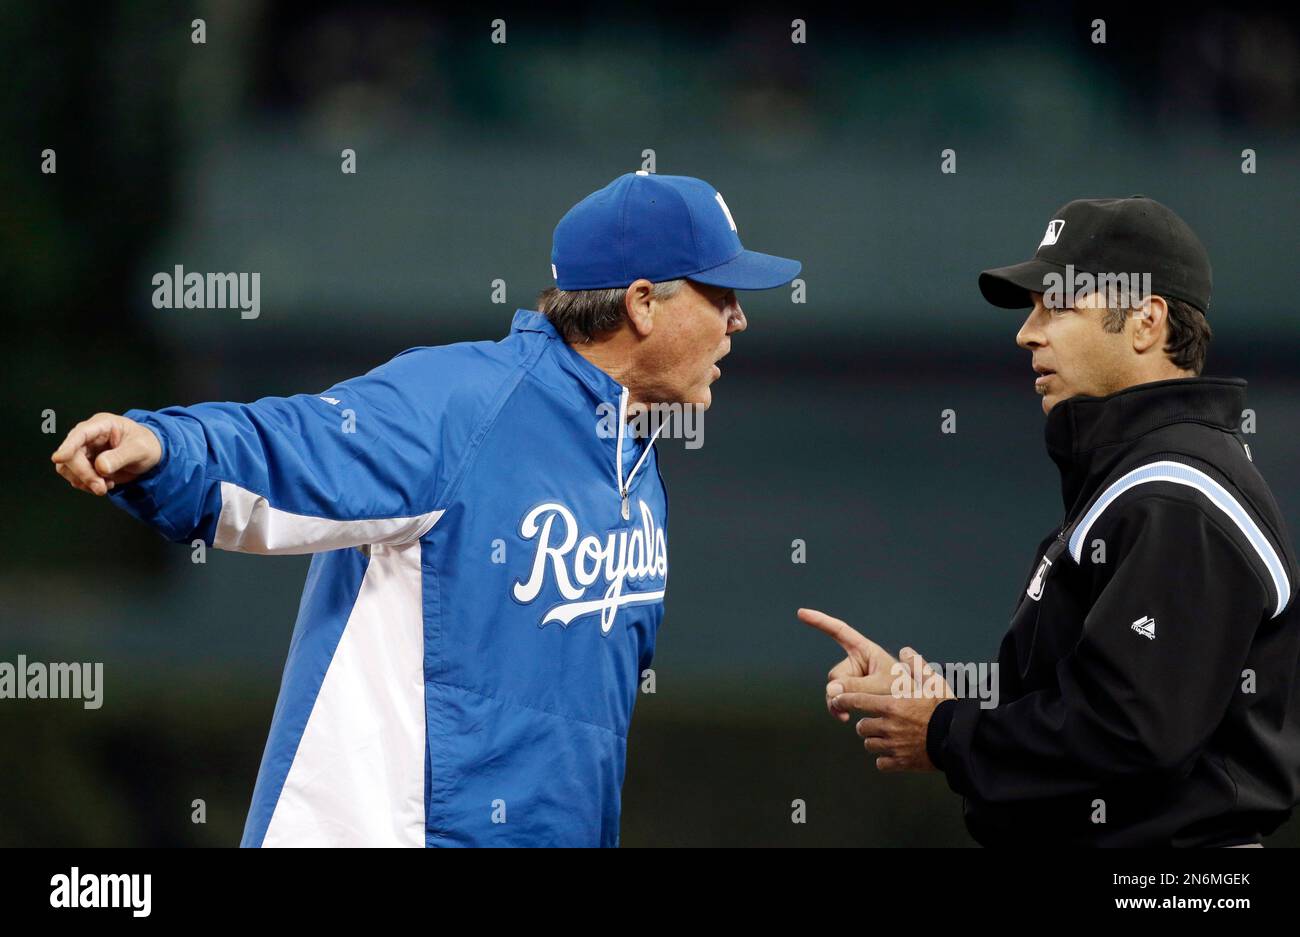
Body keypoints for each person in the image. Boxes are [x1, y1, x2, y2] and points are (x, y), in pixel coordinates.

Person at [51, 171, 801, 847]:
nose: (738, 319)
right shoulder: (462, 403)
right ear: (642, 302)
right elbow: (296, 442)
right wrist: (168, 446)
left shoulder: (632, 455)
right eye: (720, 293)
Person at [803, 196, 1300, 846]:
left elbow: (1129, 732)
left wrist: (945, 728)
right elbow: (1095, 710)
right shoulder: (1135, 480)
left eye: (1057, 304)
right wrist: (935, 708)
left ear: (1146, 321)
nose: (1027, 332)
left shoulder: (1177, 494)